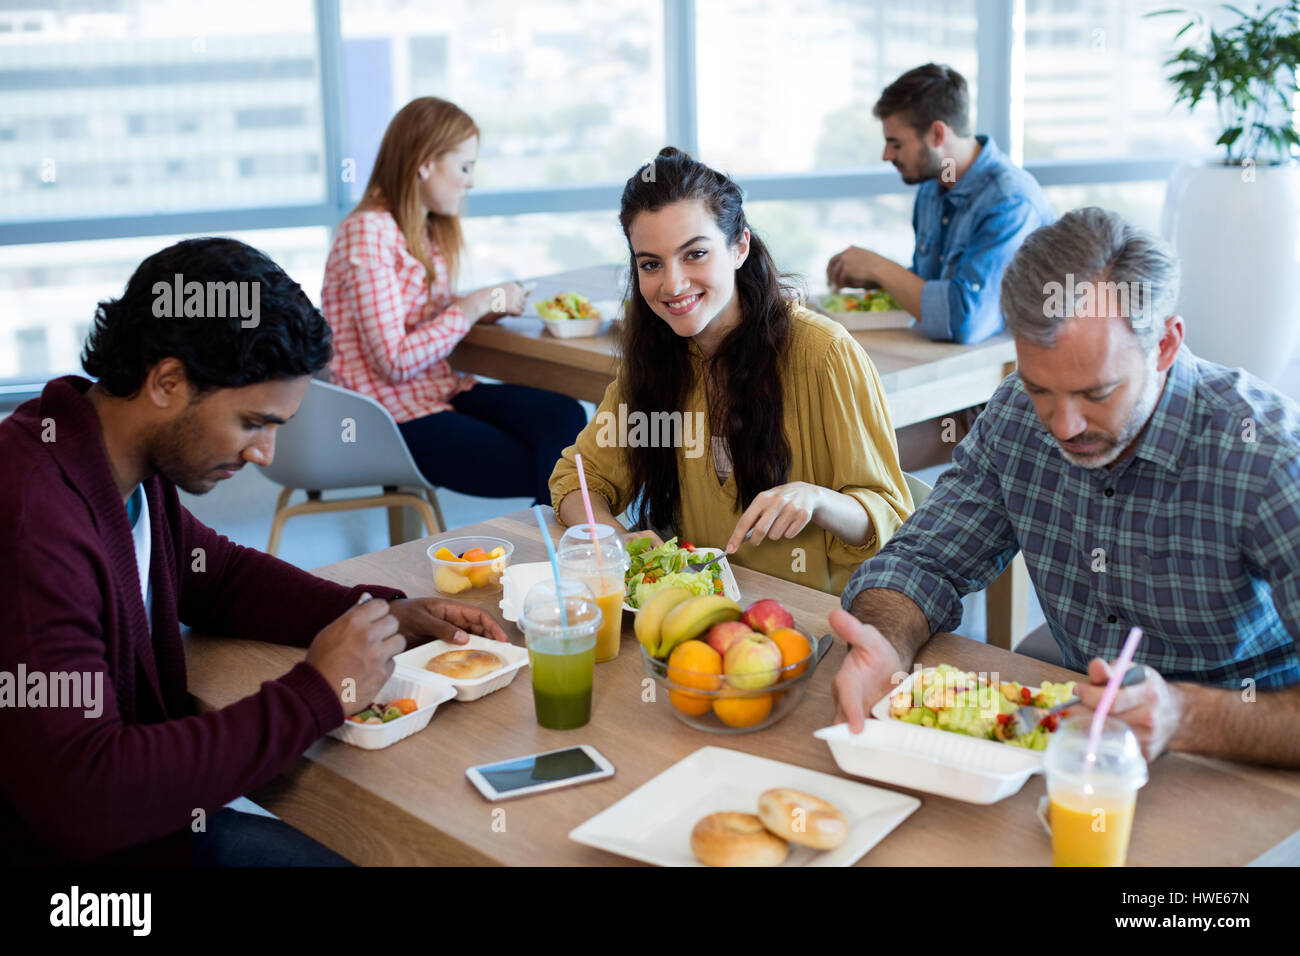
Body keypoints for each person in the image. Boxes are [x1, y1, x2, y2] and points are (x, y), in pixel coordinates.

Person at [0, 238, 508, 865]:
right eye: (252, 422)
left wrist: (377, 614)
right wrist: (317, 692)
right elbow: (87, 795)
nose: (264, 453)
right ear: (166, 382)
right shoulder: (33, 520)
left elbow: (216, 576)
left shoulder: (115, 463)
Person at [829, 208, 1300, 768]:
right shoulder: (1015, 416)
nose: (1062, 425)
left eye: (1097, 393)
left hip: (1238, 758)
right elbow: (922, 563)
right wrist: (887, 644)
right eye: (1040, 388)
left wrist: (1186, 717)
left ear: (1166, 346)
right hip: (1078, 743)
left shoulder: (1267, 457)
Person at [549, 147, 913, 596]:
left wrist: (816, 499)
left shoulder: (825, 354)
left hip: (818, 626)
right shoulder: (652, 364)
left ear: (739, 246)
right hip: (696, 622)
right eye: (651, 264)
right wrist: (614, 540)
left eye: (695, 254)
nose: (673, 284)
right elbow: (576, 482)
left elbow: (890, 522)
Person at [322, 97, 586, 504]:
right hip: (389, 416)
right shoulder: (367, 232)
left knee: (564, 416)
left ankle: (553, 547)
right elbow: (393, 362)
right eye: (465, 167)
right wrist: (471, 307)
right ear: (425, 163)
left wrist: (486, 306)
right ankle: (556, 552)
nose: (471, 182)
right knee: (544, 464)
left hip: (437, 390)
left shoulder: (421, 233)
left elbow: (423, 314)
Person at [826, 63, 1054, 346]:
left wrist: (879, 268)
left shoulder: (1010, 201)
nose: (886, 155)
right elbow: (932, 284)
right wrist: (873, 278)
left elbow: (964, 320)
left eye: (895, 144)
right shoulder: (936, 185)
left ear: (937, 134)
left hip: (1005, 374)